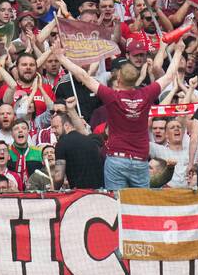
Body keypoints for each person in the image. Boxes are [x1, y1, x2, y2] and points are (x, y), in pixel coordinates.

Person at [53, 39, 185, 189]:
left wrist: (61, 57)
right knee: (140, 204)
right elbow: (168, 76)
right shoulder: (147, 93)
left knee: (117, 204)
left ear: (119, 79)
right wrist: (179, 51)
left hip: (117, 159)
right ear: (136, 79)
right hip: (140, 160)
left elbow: (84, 77)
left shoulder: (112, 96)